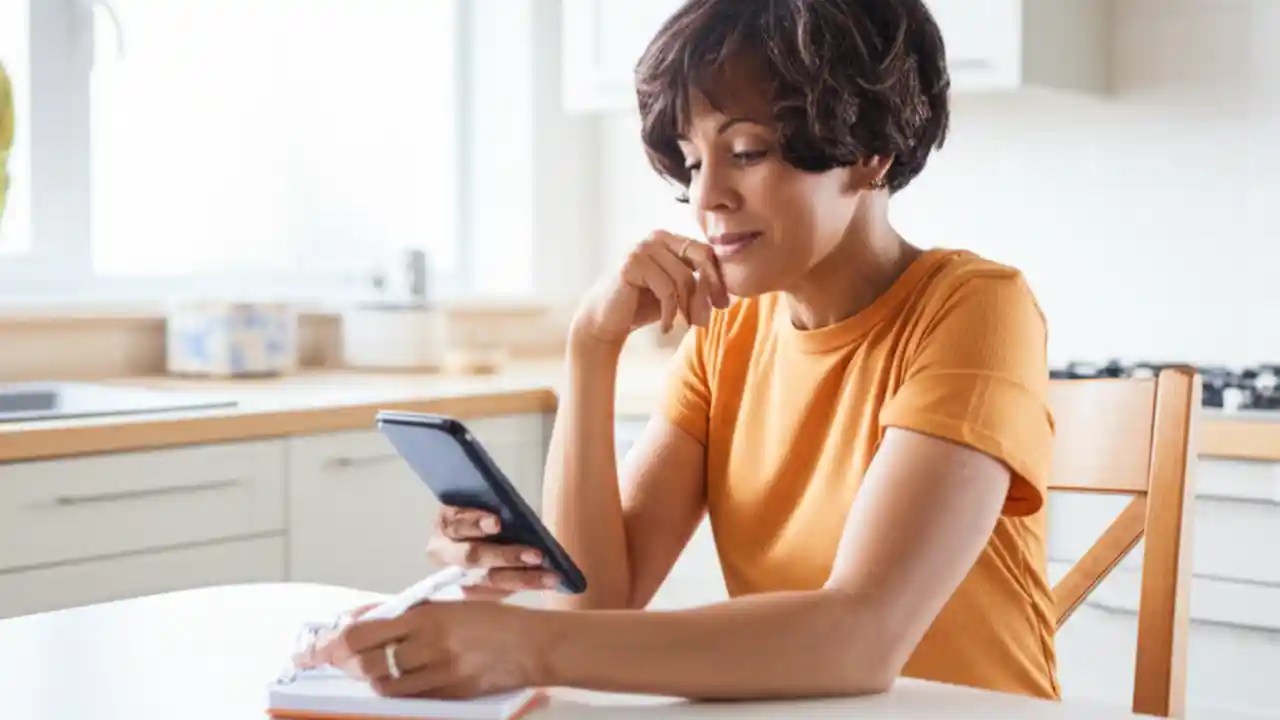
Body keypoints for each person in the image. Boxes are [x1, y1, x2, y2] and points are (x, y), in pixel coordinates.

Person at [307, 0, 1058, 702]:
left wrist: (521, 644)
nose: (706, 197)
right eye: (693, 162)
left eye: (748, 151)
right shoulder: (730, 331)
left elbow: (861, 637)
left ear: (871, 153)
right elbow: (595, 603)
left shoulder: (975, 308)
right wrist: (591, 345)